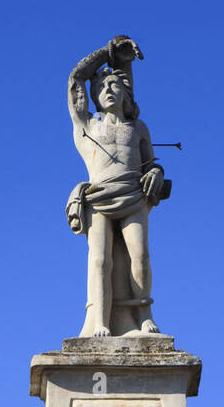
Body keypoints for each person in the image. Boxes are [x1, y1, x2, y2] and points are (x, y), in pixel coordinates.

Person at [66, 36, 169, 338]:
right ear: (94, 96)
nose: (107, 90)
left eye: (115, 86)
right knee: (101, 260)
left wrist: (158, 173)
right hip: (99, 199)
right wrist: (109, 53)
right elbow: (75, 80)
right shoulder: (88, 127)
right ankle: (100, 320)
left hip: (133, 196)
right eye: (101, 87)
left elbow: (151, 165)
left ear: (127, 93)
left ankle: (143, 313)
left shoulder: (138, 128)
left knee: (140, 255)